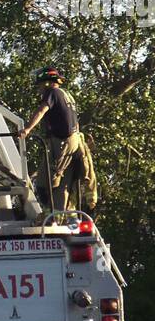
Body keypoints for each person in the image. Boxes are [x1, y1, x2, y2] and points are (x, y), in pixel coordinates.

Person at [16, 67, 97, 215]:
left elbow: (41, 111)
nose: (39, 89)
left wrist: (27, 129)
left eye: (40, 85)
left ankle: (51, 213)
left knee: (44, 183)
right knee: (63, 185)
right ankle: (62, 215)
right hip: (74, 142)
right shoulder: (67, 95)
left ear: (47, 83)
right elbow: (75, 122)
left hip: (62, 143)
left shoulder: (52, 93)